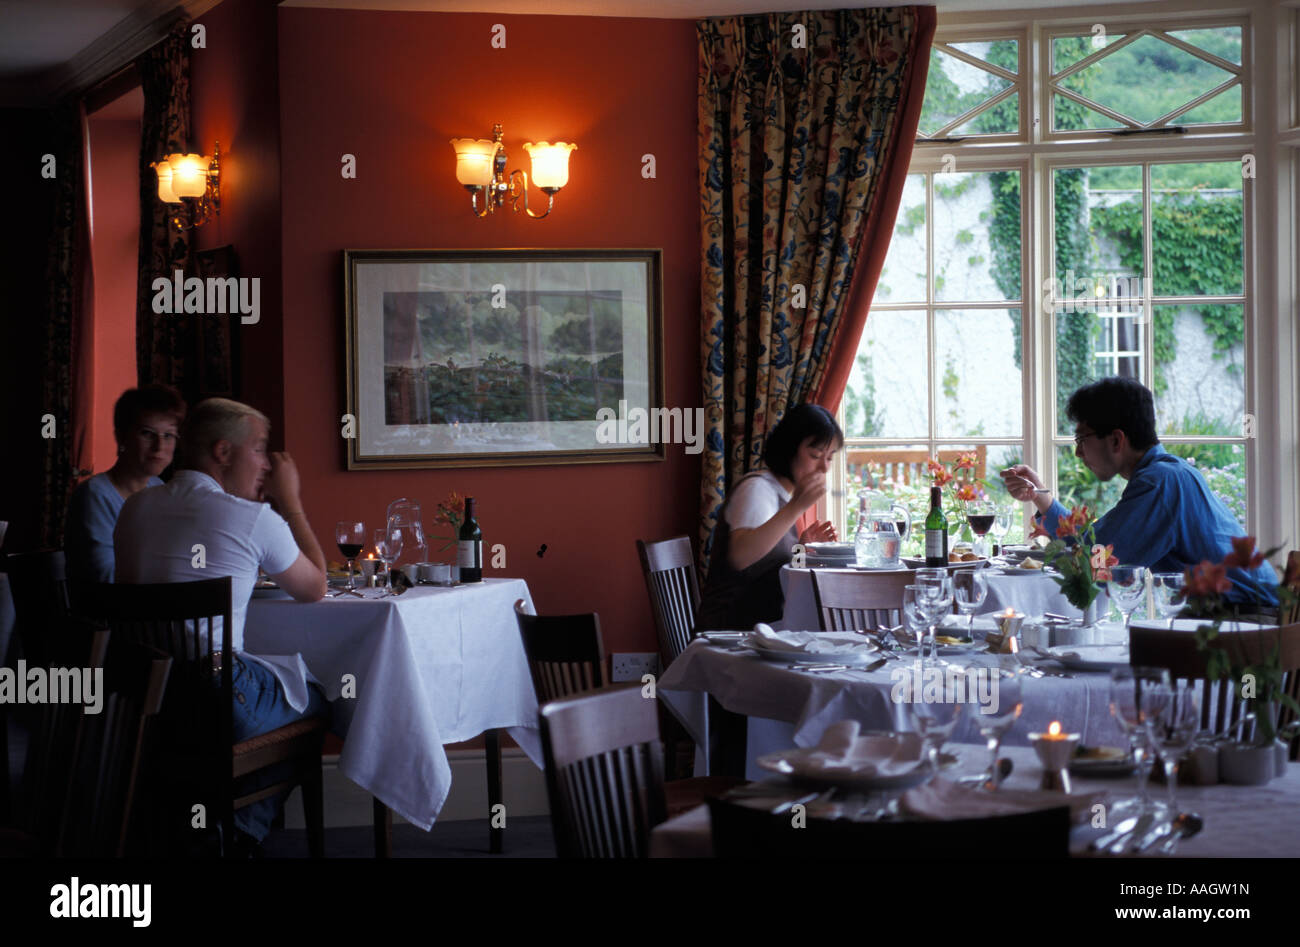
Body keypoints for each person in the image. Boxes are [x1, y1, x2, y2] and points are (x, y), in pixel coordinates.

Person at [114, 397, 330, 850]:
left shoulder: (134, 509)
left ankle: (207, 826)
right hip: (214, 695)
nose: (266, 465)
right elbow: (315, 587)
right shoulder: (254, 519)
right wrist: (290, 502)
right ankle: (236, 835)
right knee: (321, 701)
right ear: (222, 452)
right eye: (259, 449)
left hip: (142, 694)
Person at [1001, 376, 1277, 607]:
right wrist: (1041, 497)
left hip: (1246, 626)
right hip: (1234, 619)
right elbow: (1097, 551)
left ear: (1117, 439)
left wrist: (1036, 563)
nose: (1077, 452)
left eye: (1082, 439)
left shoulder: (1160, 483)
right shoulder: (1168, 473)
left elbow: (1095, 564)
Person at [697, 404, 841, 631]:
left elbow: (771, 570)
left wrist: (800, 548)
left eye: (830, 458)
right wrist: (796, 506)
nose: (823, 467)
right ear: (789, 449)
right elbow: (741, 557)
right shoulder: (757, 489)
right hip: (731, 636)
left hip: (763, 630)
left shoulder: (782, 494)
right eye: (815, 455)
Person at [65, 385, 186, 585]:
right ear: (121, 436)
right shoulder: (95, 495)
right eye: (147, 434)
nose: (160, 447)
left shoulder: (158, 486)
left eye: (168, 436)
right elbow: (106, 576)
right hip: (106, 611)